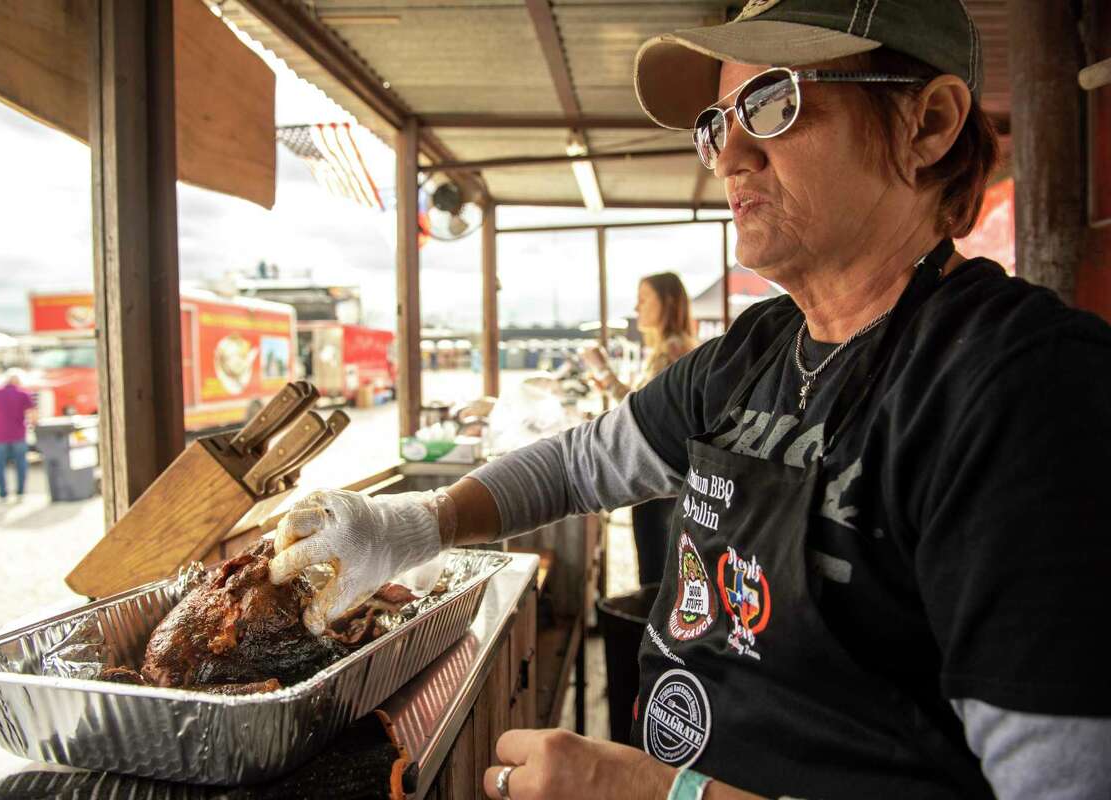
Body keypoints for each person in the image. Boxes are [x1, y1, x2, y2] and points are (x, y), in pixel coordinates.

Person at [266, 2, 1111, 798]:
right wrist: (415, 524)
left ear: (927, 124)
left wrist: (669, 794)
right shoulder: (755, 351)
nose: (731, 155)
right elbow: (580, 461)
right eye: (719, 122)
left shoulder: (1023, 390)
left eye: (775, 103)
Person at [584, 272, 698, 585]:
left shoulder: (670, 351)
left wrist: (603, 371)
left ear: (668, 302)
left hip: (662, 479)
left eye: (644, 298)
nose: (637, 306)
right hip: (673, 476)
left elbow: (646, 415)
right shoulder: (673, 347)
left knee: (655, 576)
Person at [0, 369, 36, 502]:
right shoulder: (24, 394)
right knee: (21, 464)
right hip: (18, 434)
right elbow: (32, 415)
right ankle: (20, 492)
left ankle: (2, 493)